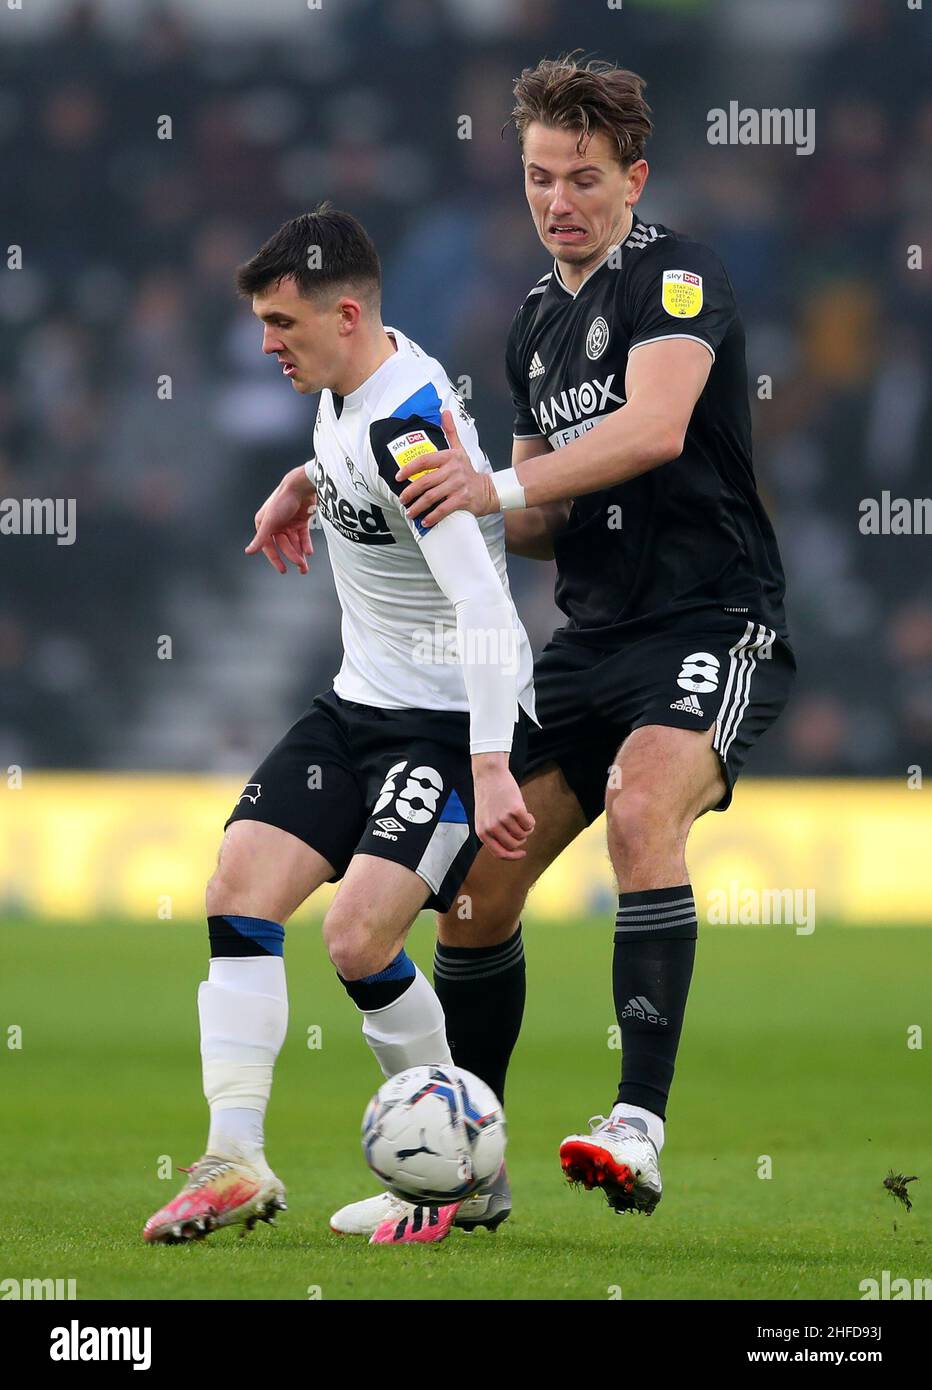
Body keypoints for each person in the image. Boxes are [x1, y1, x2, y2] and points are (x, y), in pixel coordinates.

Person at [334, 55, 796, 1241]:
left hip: (708, 622)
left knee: (645, 812)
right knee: (474, 898)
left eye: (582, 179)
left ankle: (634, 1123)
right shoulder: (536, 324)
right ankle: (465, 1177)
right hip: (586, 649)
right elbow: (538, 516)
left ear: (633, 179)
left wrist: (487, 483)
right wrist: (428, 489)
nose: (557, 201)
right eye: (538, 177)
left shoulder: (676, 278)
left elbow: (648, 432)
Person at [142, 205, 537, 1246]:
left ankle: (456, 1177)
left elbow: (486, 606)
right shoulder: (354, 383)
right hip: (357, 702)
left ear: (345, 313)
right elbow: (351, 449)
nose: (265, 343)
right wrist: (304, 481)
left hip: (444, 724)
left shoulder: (406, 423)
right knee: (236, 889)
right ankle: (232, 1159)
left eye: (280, 323)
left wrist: (491, 766)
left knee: (356, 935)